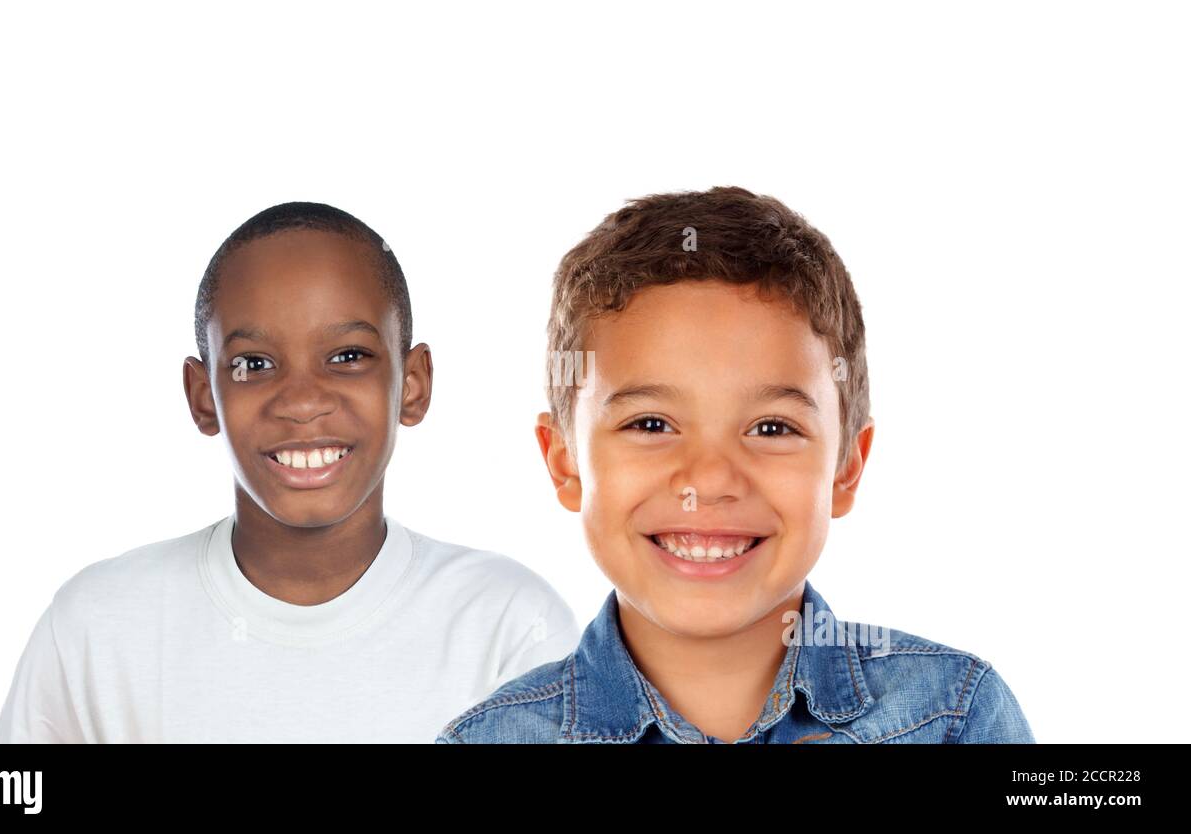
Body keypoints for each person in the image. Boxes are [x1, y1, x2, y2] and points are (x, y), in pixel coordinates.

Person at [436, 187, 1034, 743]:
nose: (710, 480)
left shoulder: (956, 717)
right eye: (651, 425)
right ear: (564, 461)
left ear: (845, 468)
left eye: (772, 428)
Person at [0, 201, 580, 742]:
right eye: (254, 363)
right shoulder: (98, 626)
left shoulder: (510, 627)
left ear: (414, 384)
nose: (301, 401)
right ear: (203, 397)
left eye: (348, 357)